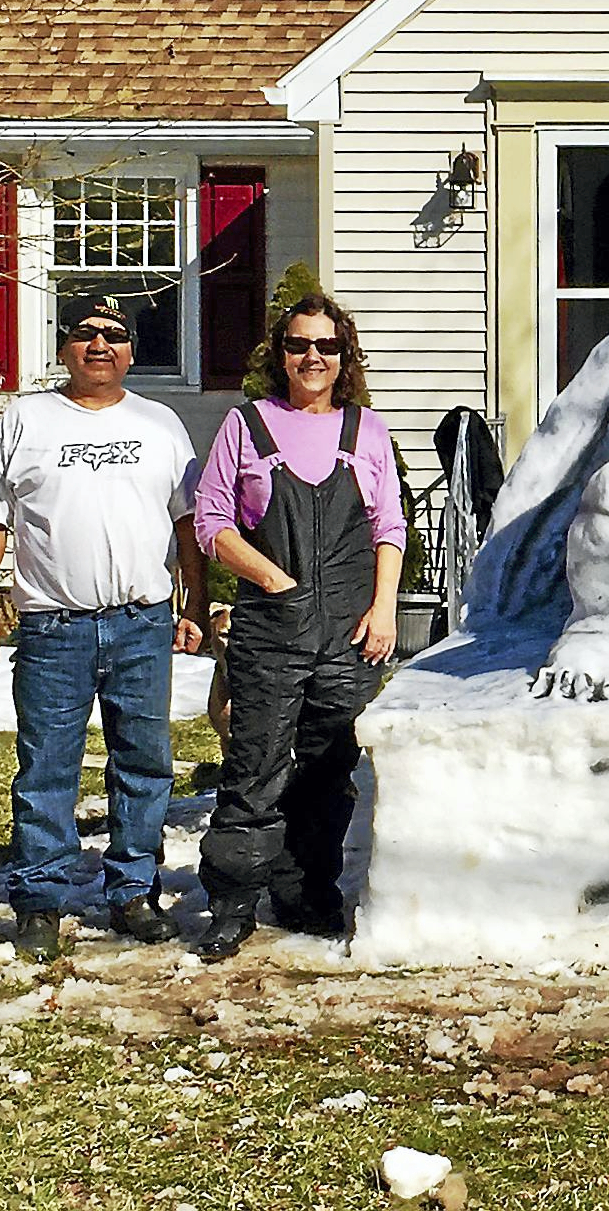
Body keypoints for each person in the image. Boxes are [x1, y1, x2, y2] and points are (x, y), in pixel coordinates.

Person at [0, 294, 207, 961]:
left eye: (115, 335)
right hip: (52, 630)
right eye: (85, 333)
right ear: (64, 345)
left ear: (132, 351)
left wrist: (194, 605)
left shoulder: (161, 424)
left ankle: (132, 892)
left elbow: (189, 524)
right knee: (45, 770)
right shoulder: (26, 417)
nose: (100, 345)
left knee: (144, 765)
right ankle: (40, 899)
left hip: (141, 625)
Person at [191, 293, 404, 960]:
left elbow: (388, 527)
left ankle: (307, 893)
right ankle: (231, 902)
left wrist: (385, 609)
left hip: (347, 631)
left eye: (327, 346)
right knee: (254, 768)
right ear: (280, 355)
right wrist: (269, 578)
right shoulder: (246, 425)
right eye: (299, 345)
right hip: (270, 629)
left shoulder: (365, 431)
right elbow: (212, 523)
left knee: (325, 771)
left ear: (345, 358)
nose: (313, 357)